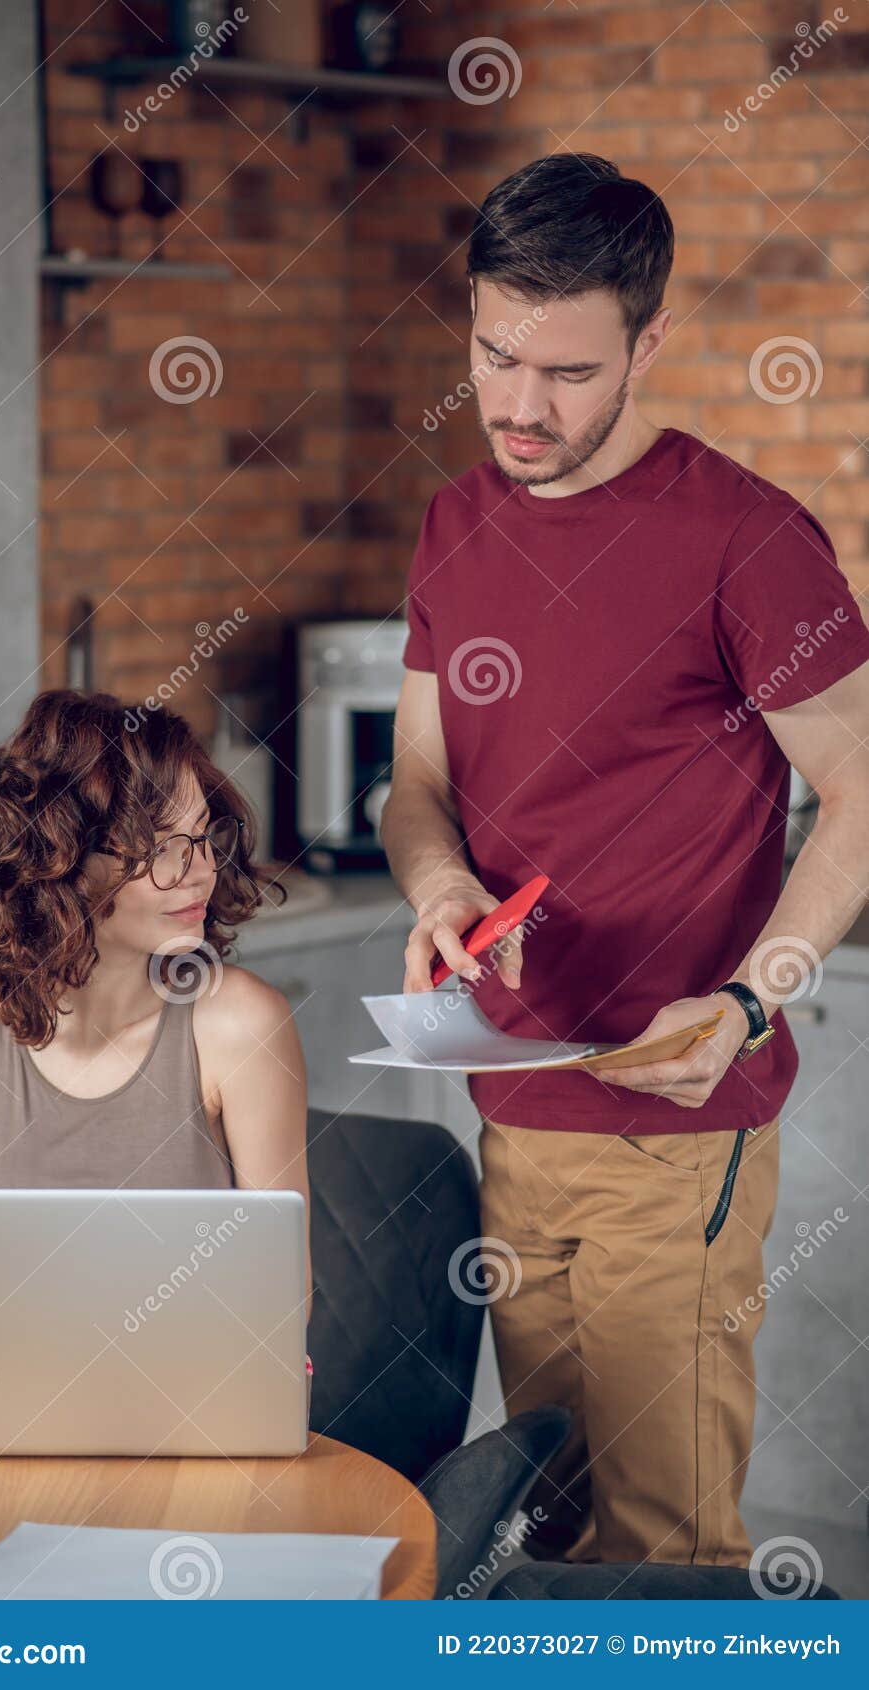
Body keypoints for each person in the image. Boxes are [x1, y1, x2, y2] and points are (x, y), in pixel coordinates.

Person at [381, 152, 869, 1567]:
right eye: (492, 356)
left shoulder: (745, 540)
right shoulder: (453, 522)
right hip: (514, 1101)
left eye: (570, 372)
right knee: (545, 1525)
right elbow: (417, 780)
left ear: (647, 343)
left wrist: (744, 1001)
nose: (521, 407)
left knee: (663, 1549)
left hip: (673, 1125)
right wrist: (437, 885)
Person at [0, 688, 312, 1311]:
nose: (201, 871)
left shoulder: (242, 1025)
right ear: (60, 859)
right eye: (161, 849)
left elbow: (283, 1298)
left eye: (202, 837)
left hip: (193, 1395)